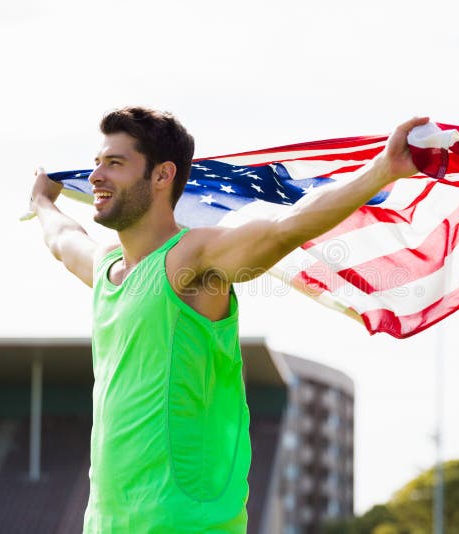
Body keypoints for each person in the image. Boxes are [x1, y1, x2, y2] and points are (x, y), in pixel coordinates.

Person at [30, 106, 428, 533]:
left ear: (162, 175)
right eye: (97, 163)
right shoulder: (106, 268)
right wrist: (41, 201)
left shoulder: (192, 258)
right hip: (105, 524)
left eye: (114, 163)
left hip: (186, 524)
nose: (95, 176)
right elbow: (62, 239)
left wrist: (382, 170)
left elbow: (285, 228)